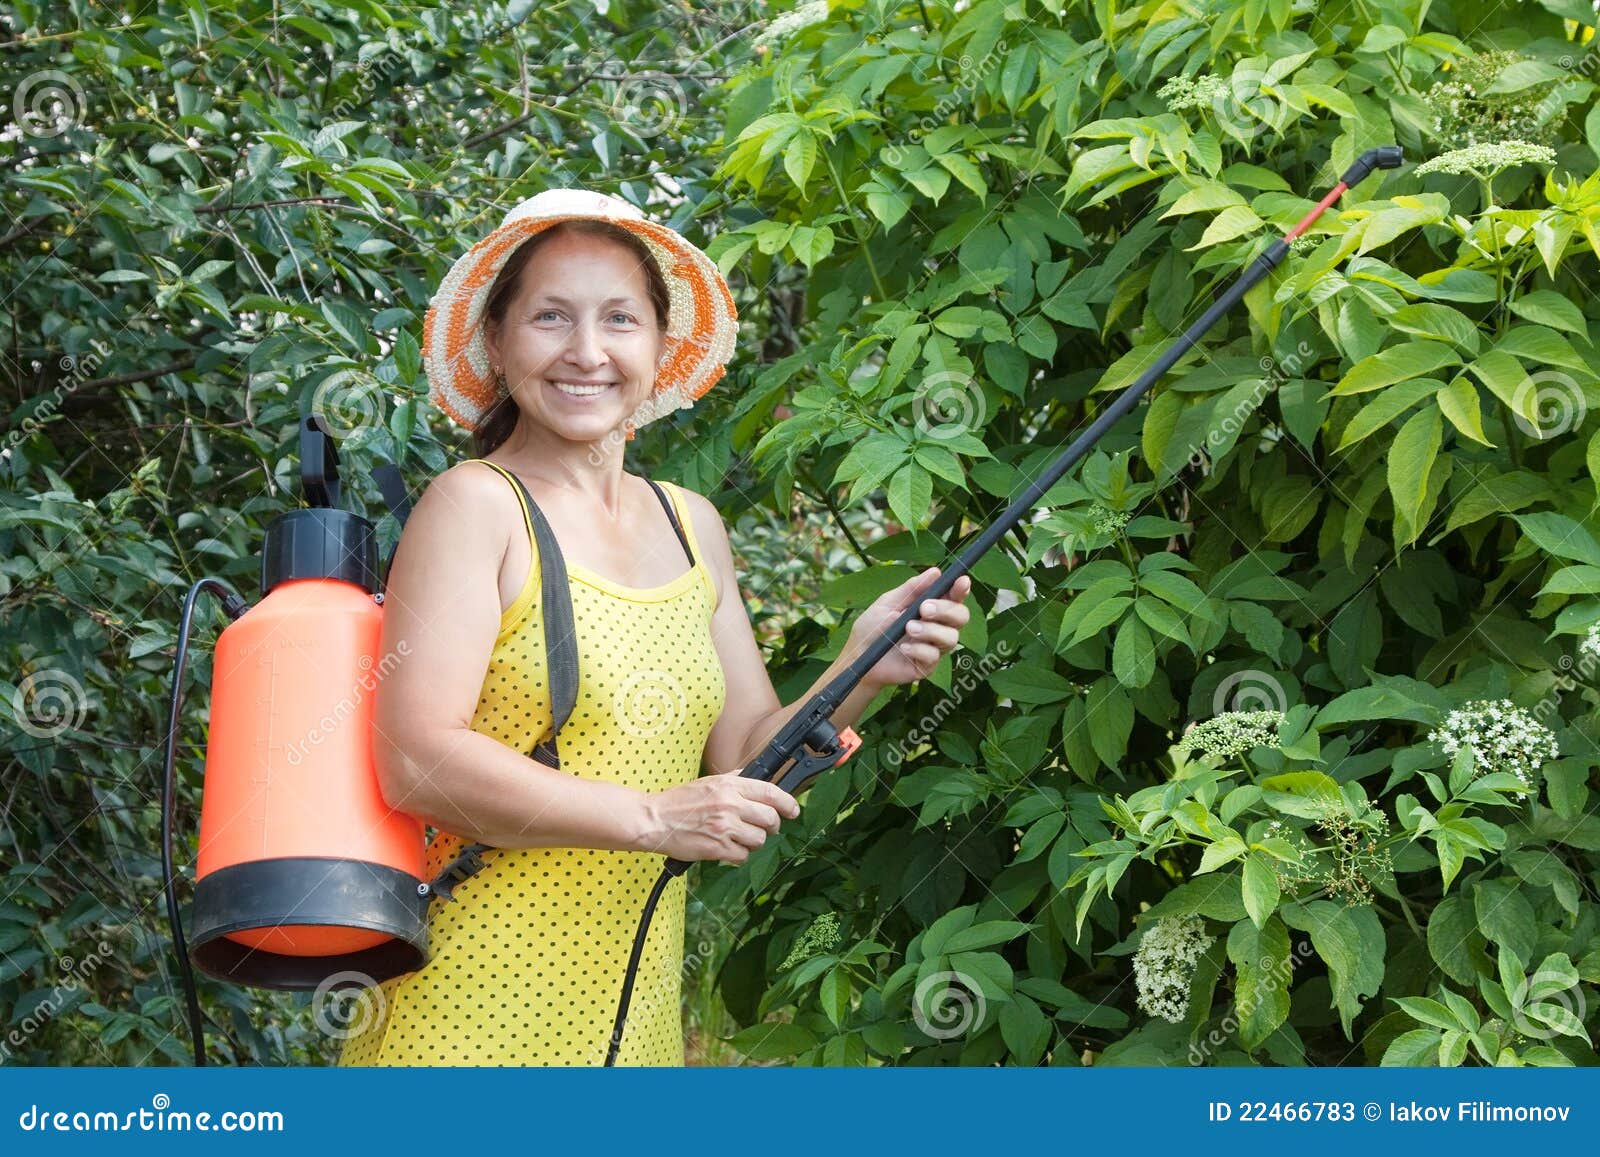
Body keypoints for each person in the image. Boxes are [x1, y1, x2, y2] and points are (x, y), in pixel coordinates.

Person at [336, 189, 972, 1066]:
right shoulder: (476, 505)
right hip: (462, 1013)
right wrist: (650, 817)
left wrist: (863, 663)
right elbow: (418, 761)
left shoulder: (690, 523)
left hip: (629, 1026)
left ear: (660, 345)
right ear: (497, 341)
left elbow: (743, 757)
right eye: (551, 316)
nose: (587, 352)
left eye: (620, 319)